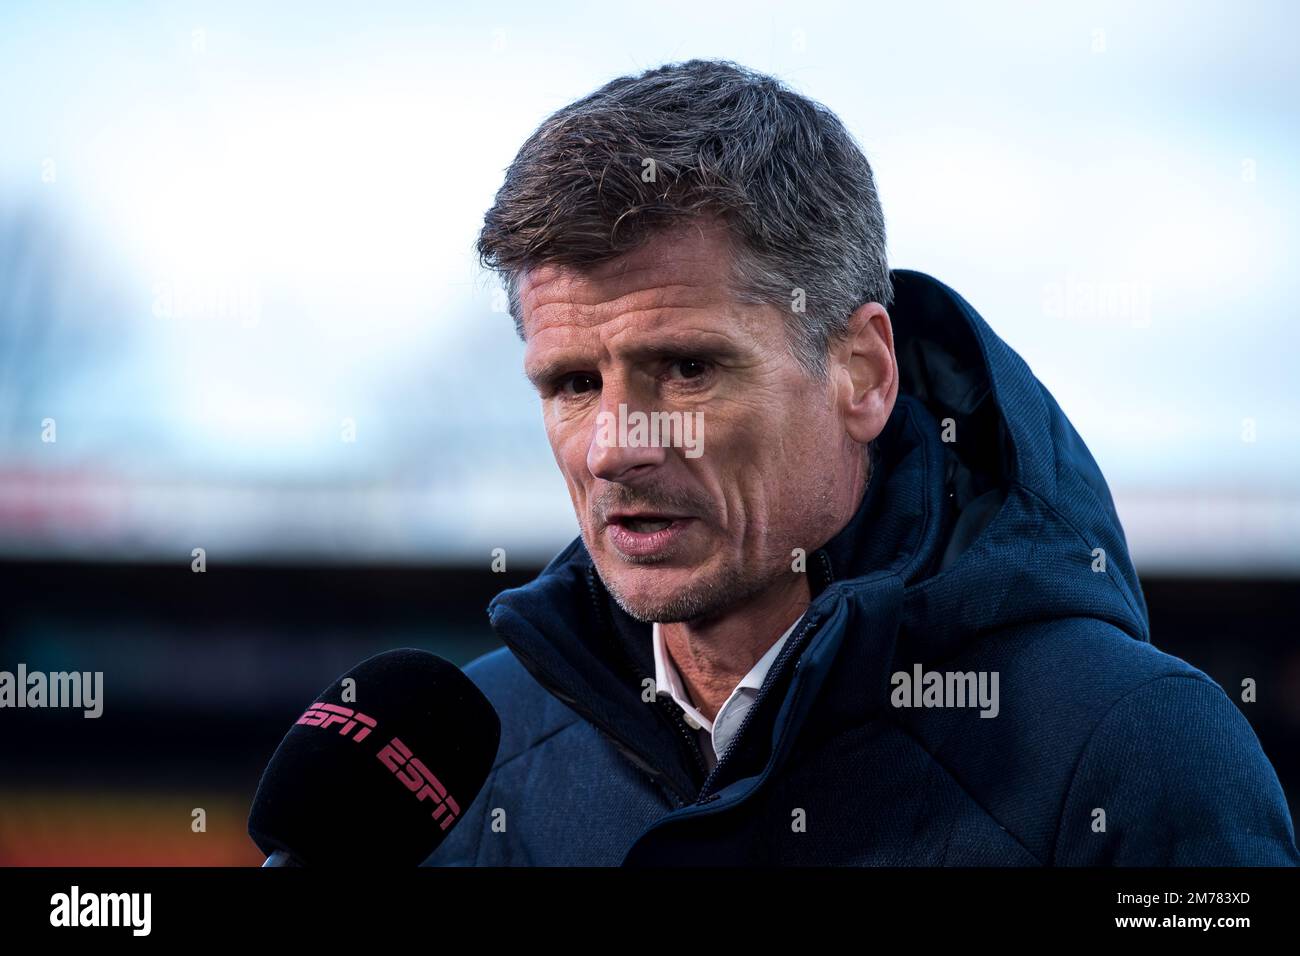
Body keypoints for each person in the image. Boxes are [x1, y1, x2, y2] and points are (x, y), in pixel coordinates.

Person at [426, 59, 1299, 865]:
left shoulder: (1136, 751)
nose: (617, 446)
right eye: (574, 383)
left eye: (688, 369)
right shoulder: (466, 762)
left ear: (863, 373)